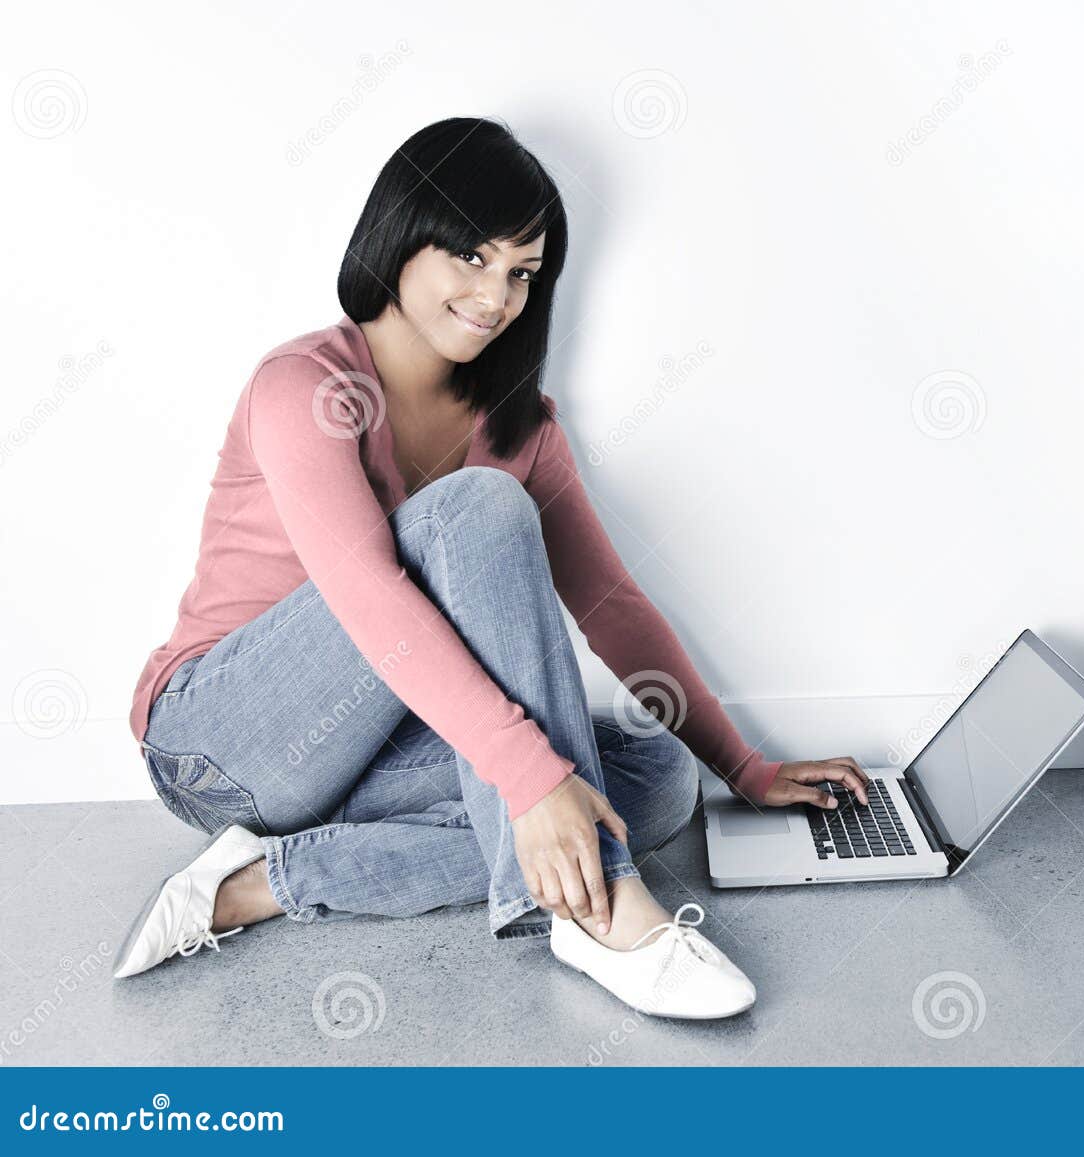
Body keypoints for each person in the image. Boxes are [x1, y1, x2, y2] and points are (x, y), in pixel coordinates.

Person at [116, 116, 870, 1019]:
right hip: (220, 743)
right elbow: (368, 598)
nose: (496, 295)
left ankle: (262, 881)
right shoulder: (303, 386)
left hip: (371, 751)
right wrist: (532, 778)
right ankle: (602, 915)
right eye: (472, 257)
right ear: (400, 237)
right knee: (478, 511)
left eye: (522, 272)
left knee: (657, 780)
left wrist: (741, 765)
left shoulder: (522, 425)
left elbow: (610, 602)